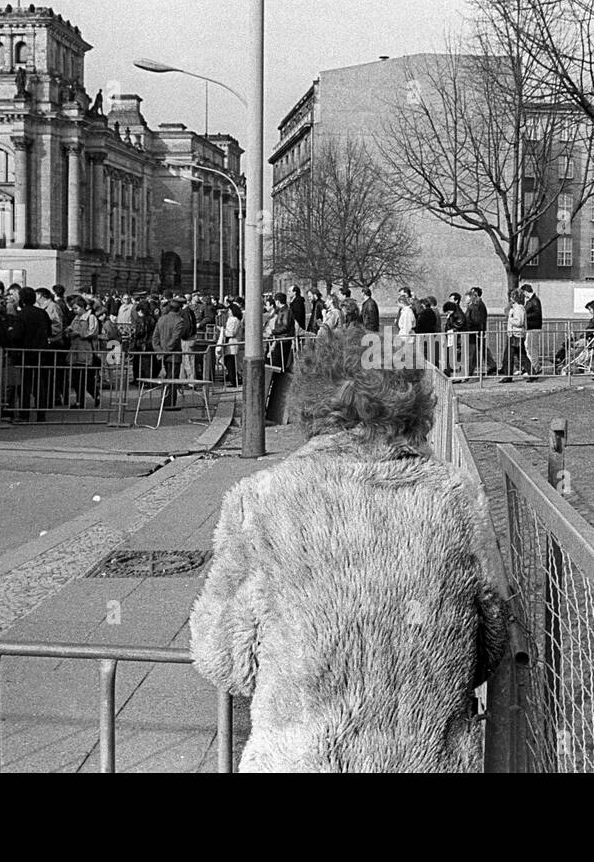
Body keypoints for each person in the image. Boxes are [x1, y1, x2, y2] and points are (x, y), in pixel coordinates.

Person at [188, 324, 508, 772]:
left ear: (311, 404)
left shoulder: (260, 500)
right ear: (415, 406)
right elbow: (490, 641)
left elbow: (224, 657)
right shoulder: (454, 498)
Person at [5, 287, 52, 421]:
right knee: (39, 385)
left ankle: (24, 415)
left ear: (22, 299)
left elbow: (16, 335)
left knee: (24, 386)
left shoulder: (21, 315)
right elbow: (49, 331)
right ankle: (41, 415)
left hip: (25, 354)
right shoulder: (42, 313)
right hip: (40, 353)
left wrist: (10, 331)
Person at [66, 296, 102, 408]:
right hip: (75, 351)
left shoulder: (91, 317)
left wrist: (78, 333)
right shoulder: (76, 318)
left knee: (87, 378)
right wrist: (68, 332)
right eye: (73, 308)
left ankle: (96, 395)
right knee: (77, 379)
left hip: (87, 352)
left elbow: (93, 332)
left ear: (83, 307)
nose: (74, 310)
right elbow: (70, 329)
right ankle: (79, 401)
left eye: (76, 308)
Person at [463, 287, 492, 376]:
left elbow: (478, 320)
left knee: (475, 351)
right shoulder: (474, 305)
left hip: (476, 332)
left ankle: (469, 372)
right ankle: (492, 365)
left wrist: (481, 331)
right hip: (477, 332)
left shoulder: (477, 306)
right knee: (479, 349)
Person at [503, 289, 528, 381]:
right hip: (515, 334)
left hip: (515, 334)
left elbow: (519, 322)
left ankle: (508, 376)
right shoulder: (517, 307)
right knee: (521, 355)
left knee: (509, 356)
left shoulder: (518, 308)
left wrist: (510, 319)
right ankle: (532, 372)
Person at [218, 301, 244, 387]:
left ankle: (234, 380)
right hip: (229, 343)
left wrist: (223, 330)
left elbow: (232, 333)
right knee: (228, 361)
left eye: (229, 310)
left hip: (232, 343)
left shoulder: (235, 320)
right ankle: (233, 378)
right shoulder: (232, 319)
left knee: (230, 363)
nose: (228, 312)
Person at [269, 292, 295, 371]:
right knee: (277, 362)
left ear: (277, 301)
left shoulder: (286, 311)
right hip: (281, 339)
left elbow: (285, 326)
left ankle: (277, 380)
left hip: (283, 340)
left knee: (278, 363)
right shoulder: (282, 311)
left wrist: (273, 332)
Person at [521, 283, 543, 379]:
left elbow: (536, 314)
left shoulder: (534, 301)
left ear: (526, 292)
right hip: (533, 327)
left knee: (531, 348)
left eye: (523, 293)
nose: (523, 295)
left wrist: (525, 317)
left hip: (533, 327)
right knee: (529, 347)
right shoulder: (534, 300)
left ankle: (535, 368)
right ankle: (534, 367)